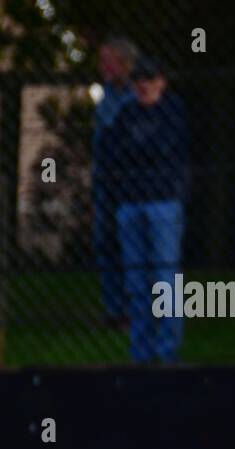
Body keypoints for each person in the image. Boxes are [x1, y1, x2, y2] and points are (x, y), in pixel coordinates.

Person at [104, 57, 189, 363]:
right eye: (139, 79)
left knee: (164, 279)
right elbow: (113, 152)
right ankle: (140, 353)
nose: (144, 85)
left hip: (163, 202)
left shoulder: (173, 111)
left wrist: (139, 152)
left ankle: (168, 353)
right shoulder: (126, 114)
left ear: (162, 81)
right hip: (131, 202)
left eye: (150, 79)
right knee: (137, 282)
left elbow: (164, 148)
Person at [92, 37, 137, 329]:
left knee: (130, 246)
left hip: (131, 181)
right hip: (104, 180)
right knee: (105, 243)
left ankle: (135, 310)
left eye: (107, 60)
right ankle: (114, 310)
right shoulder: (105, 94)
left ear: (124, 63)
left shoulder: (137, 93)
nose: (102, 67)